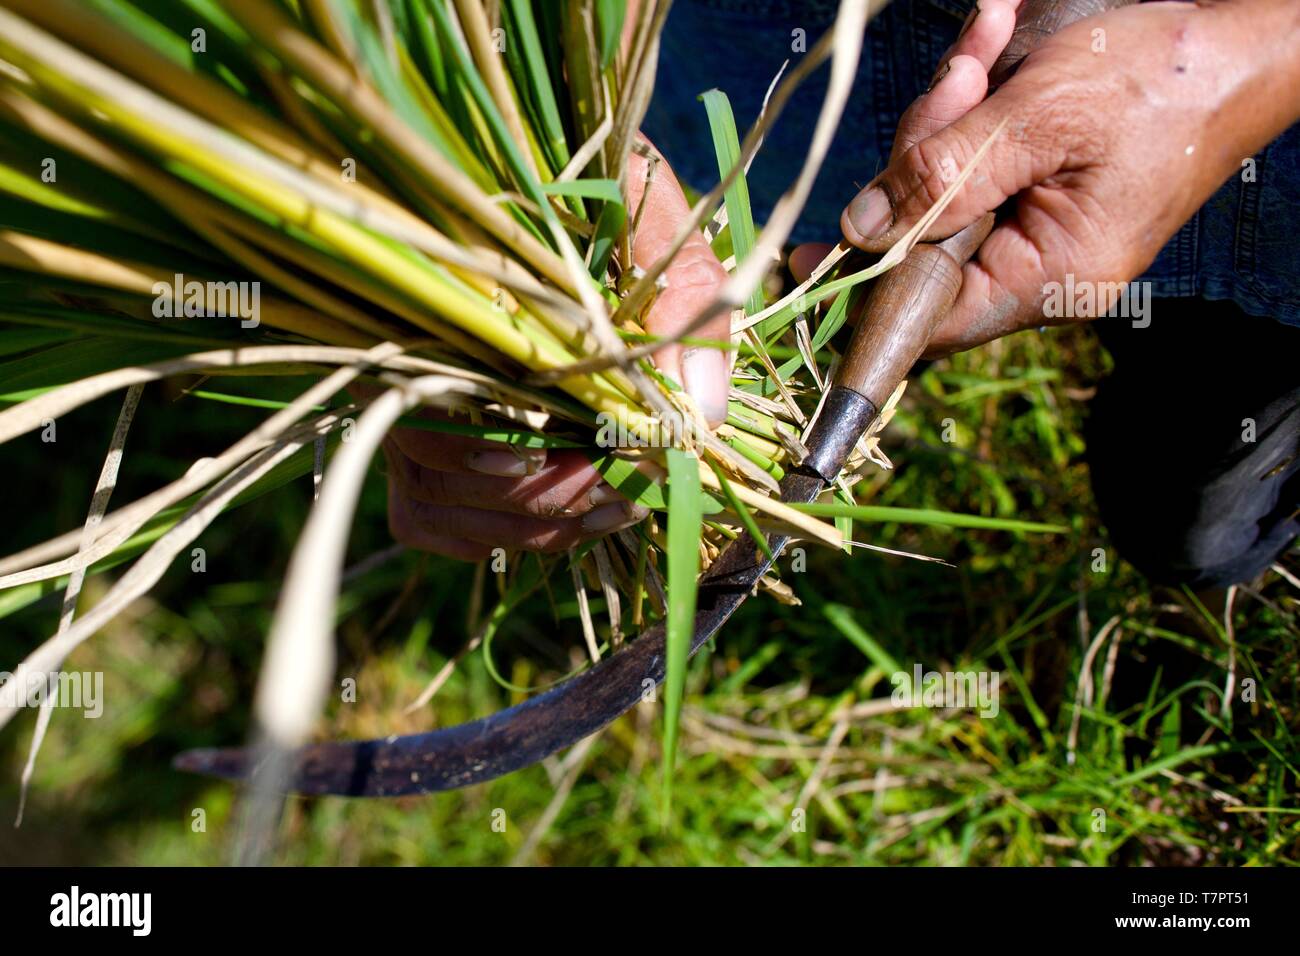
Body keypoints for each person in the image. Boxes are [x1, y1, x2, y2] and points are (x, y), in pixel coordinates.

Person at [384, 0, 1299, 589]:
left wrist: (1238, 67)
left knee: (1202, 526)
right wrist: (430, 285)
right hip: (791, 51)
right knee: (1186, 530)